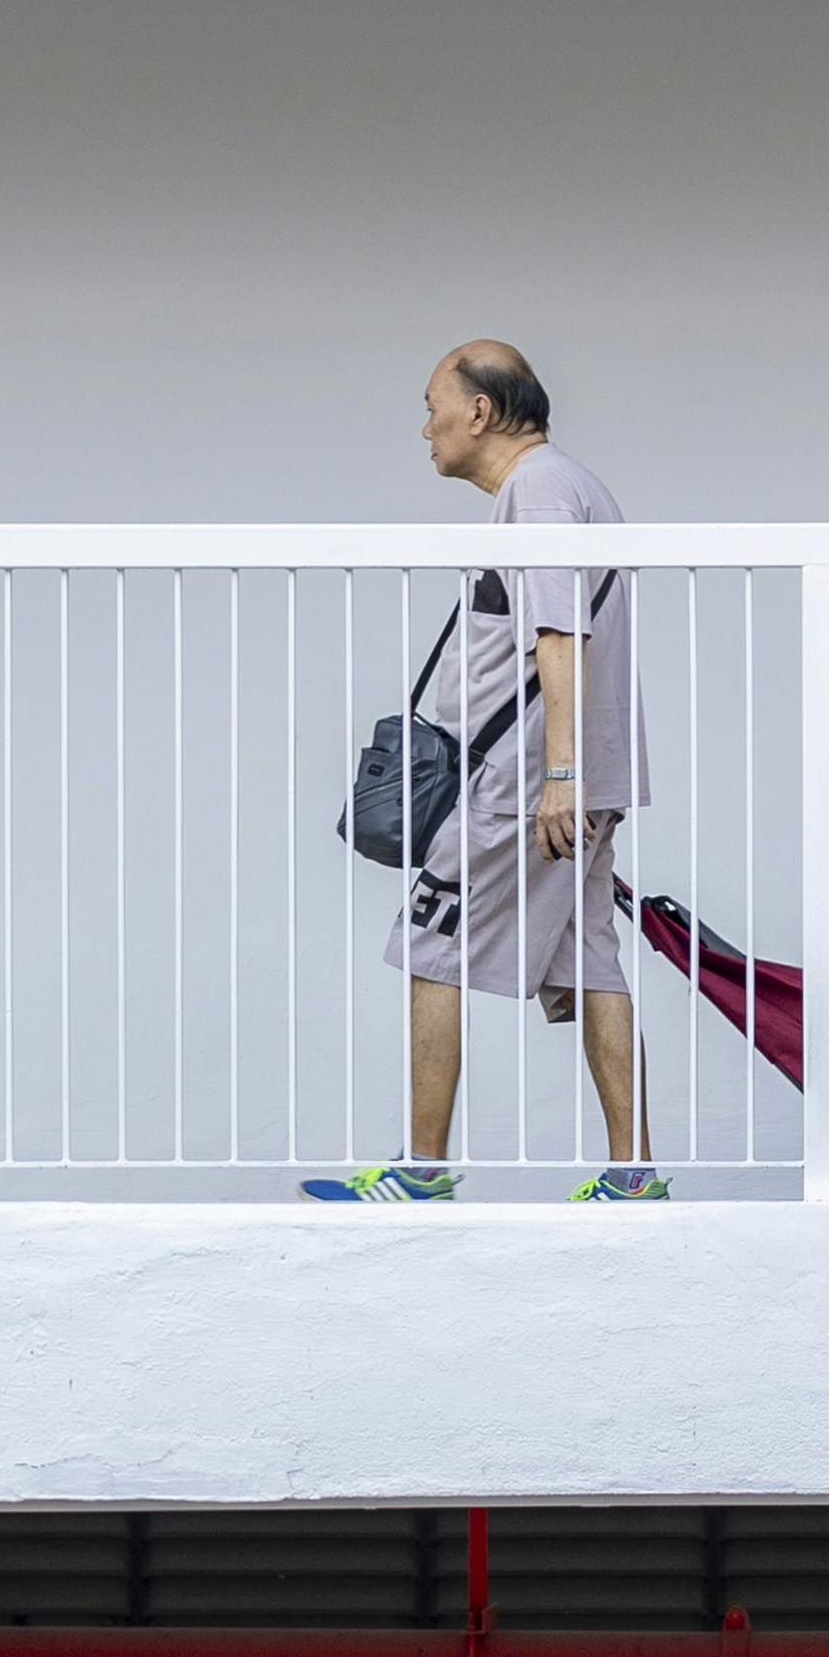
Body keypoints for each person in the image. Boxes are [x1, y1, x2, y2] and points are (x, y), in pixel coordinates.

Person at [310, 341, 659, 1204]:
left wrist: (560, 772)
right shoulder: (570, 485)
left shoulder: (537, 490)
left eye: (433, 404)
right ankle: (634, 1172)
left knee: (433, 942)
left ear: (481, 412)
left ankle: (422, 1170)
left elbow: (557, 630)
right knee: (591, 960)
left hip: (520, 777)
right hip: (570, 769)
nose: (424, 426)